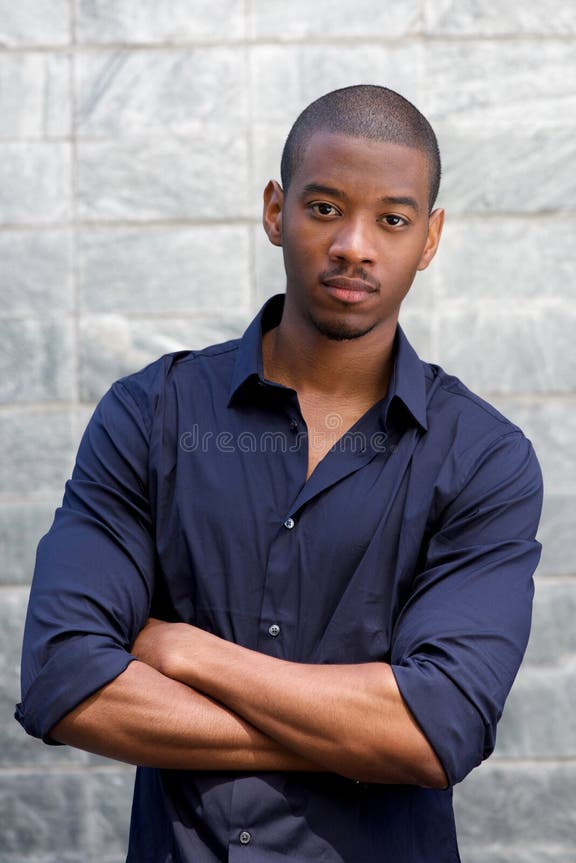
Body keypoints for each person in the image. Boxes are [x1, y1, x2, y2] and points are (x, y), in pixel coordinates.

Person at [17, 85, 543, 862]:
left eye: (392, 220)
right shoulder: (150, 414)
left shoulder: (484, 459)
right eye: (325, 208)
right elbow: (66, 676)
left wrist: (194, 654)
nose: (354, 245)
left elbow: (442, 730)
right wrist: (359, 735)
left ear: (429, 239)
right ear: (276, 210)